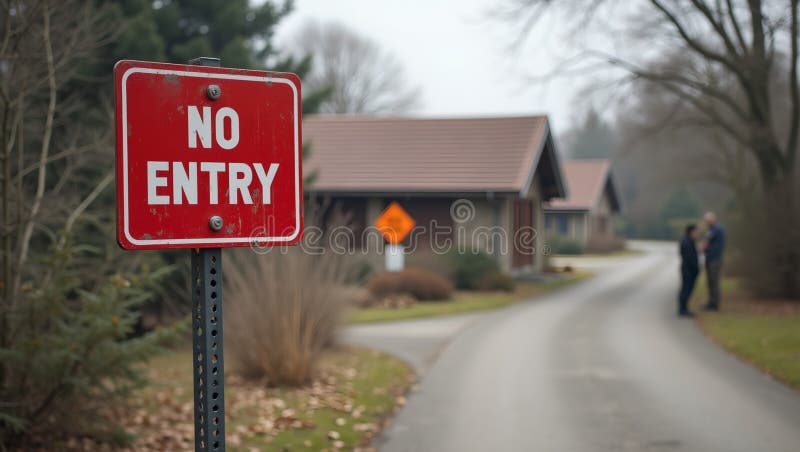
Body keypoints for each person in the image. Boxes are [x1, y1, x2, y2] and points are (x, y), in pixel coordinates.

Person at [701, 212, 725, 311]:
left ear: (712, 220)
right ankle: (711, 302)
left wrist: (702, 247)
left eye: (707, 221)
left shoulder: (716, 229)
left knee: (714, 282)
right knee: (710, 282)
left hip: (714, 259)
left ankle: (714, 304)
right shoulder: (712, 229)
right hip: (711, 258)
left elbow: (705, 242)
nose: (706, 223)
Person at [678, 224, 700, 317]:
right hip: (688, 270)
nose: (697, 233)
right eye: (696, 231)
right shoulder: (686, 242)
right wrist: (696, 268)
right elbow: (690, 258)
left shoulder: (689, 241)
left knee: (687, 289)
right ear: (691, 232)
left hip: (688, 269)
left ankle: (684, 308)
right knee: (686, 289)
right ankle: (683, 309)